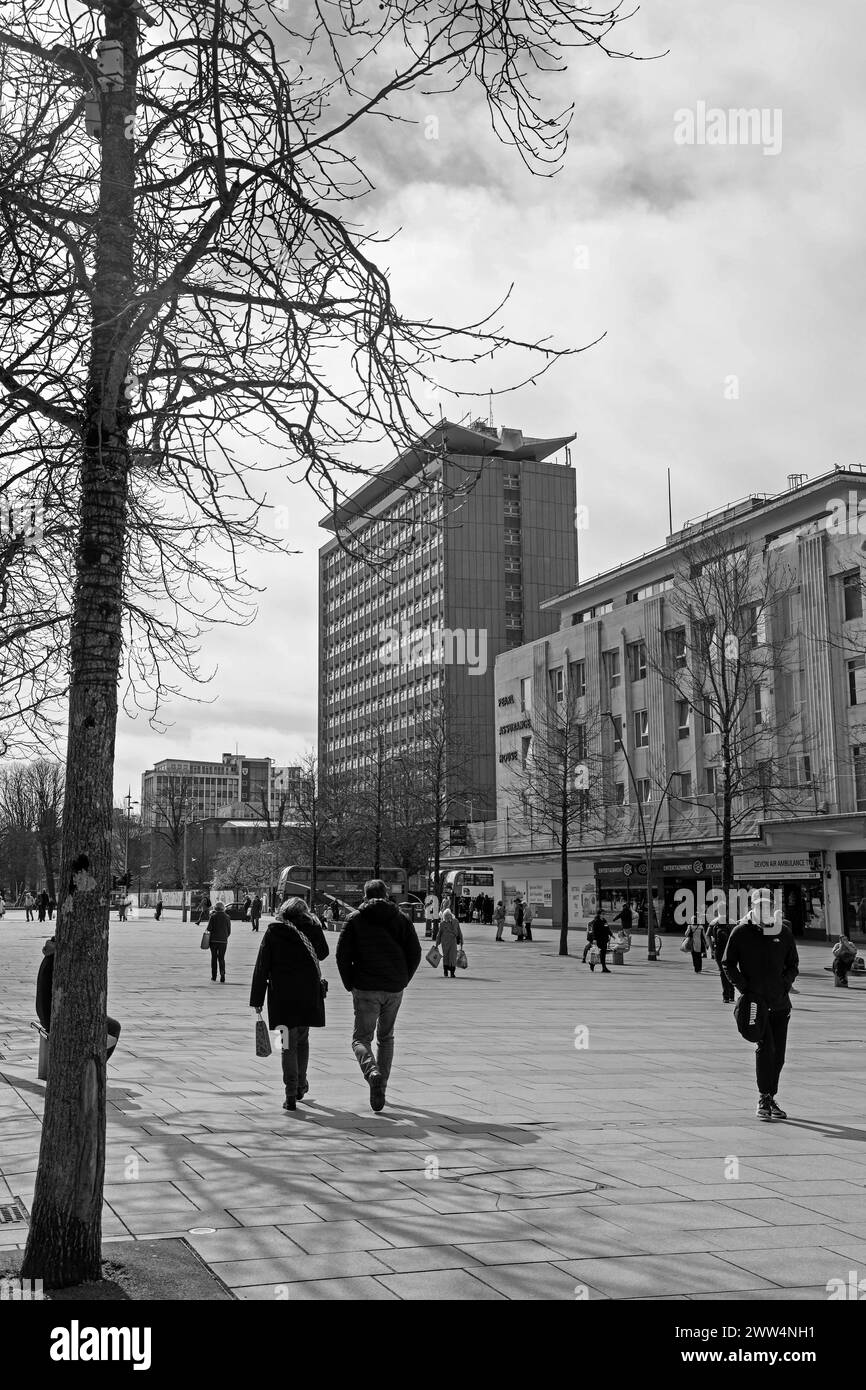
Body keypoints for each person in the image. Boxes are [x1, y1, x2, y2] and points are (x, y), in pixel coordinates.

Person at [336, 878, 422, 1112]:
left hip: (365, 986)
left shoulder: (355, 919)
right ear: (386, 894)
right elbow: (415, 952)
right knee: (386, 1037)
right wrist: (403, 979)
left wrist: (349, 983)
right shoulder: (401, 918)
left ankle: (371, 1071)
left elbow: (342, 955)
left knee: (361, 1038)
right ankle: (381, 1085)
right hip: (394, 987)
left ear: (365, 895)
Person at [723, 898, 799, 1122]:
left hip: (780, 1003)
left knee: (779, 1055)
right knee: (766, 1048)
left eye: (768, 907)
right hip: (756, 1003)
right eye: (759, 907)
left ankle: (770, 1096)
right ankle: (764, 1098)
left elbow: (793, 963)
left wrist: (784, 984)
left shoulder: (783, 932)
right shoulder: (741, 932)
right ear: (753, 909)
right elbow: (728, 962)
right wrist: (744, 988)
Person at [250, 896, 329, 1111]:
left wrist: (257, 1000)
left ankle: (290, 1092)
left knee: (286, 1045)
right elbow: (323, 953)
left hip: (281, 998)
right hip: (307, 996)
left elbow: (261, 967)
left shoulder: (274, 931)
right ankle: (301, 1084)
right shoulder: (312, 929)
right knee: (302, 1041)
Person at [36, 935, 121, 1059]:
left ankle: (94, 1061)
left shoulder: (51, 956)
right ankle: (97, 1066)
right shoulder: (61, 961)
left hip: (46, 1013)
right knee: (113, 1027)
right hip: (57, 1017)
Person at [707, 911, 735, 1003]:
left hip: (718, 951)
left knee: (723, 972)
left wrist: (711, 949)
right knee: (731, 970)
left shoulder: (714, 923)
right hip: (731, 950)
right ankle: (732, 995)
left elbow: (707, 936)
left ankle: (726, 996)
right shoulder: (732, 922)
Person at [434, 906, 463, 979]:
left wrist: (462, 942)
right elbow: (439, 934)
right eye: (445, 916)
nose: (446, 917)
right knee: (446, 957)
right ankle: (445, 971)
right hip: (445, 943)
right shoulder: (442, 924)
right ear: (443, 916)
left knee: (452, 957)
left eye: (448, 915)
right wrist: (437, 944)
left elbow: (459, 932)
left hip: (453, 942)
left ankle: (452, 972)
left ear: (450, 915)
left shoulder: (455, 921)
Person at [207, 899, 232, 982]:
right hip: (223, 941)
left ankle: (214, 976)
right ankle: (222, 975)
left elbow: (209, 929)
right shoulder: (227, 917)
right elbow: (229, 931)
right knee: (221, 958)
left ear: (216, 908)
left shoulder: (213, 917)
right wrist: (224, 936)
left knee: (214, 958)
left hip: (213, 940)